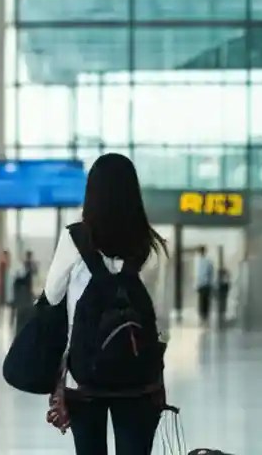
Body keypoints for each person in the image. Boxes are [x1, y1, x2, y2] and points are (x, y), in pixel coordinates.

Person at [42, 153, 170, 455]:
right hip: (141, 377)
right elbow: (162, 319)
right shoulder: (152, 246)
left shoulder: (74, 239)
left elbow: (52, 295)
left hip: (84, 376)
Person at [194, 246, 216, 324]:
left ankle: (204, 317)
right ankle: (203, 317)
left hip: (205, 284)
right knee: (203, 301)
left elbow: (210, 273)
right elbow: (197, 274)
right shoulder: (201, 261)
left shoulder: (205, 261)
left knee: (204, 301)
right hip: (203, 284)